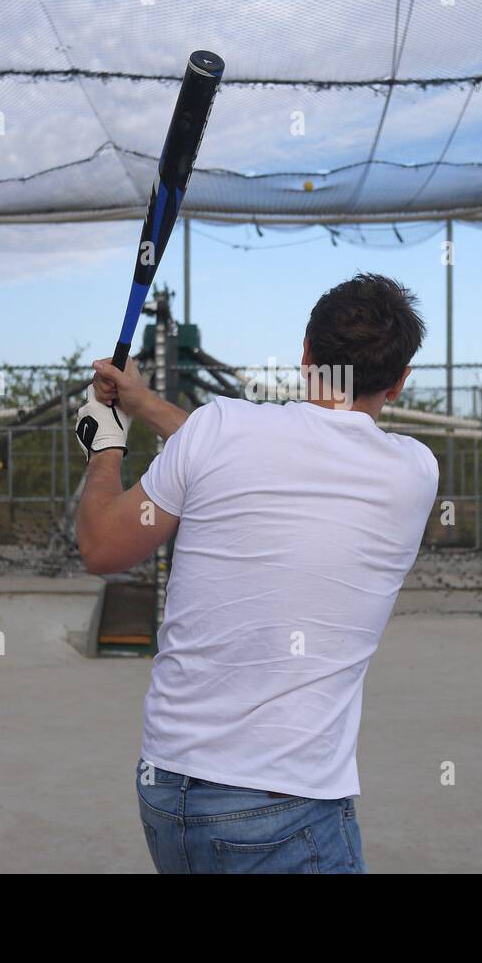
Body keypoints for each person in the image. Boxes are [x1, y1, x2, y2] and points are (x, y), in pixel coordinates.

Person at [75, 272, 438, 873]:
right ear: (399, 383)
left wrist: (107, 442)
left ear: (305, 355)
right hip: (286, 807)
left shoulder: (218, 430)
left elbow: (102, 546)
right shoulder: (415, 473)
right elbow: (247, 448)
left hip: (168, 792)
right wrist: (143, 407)